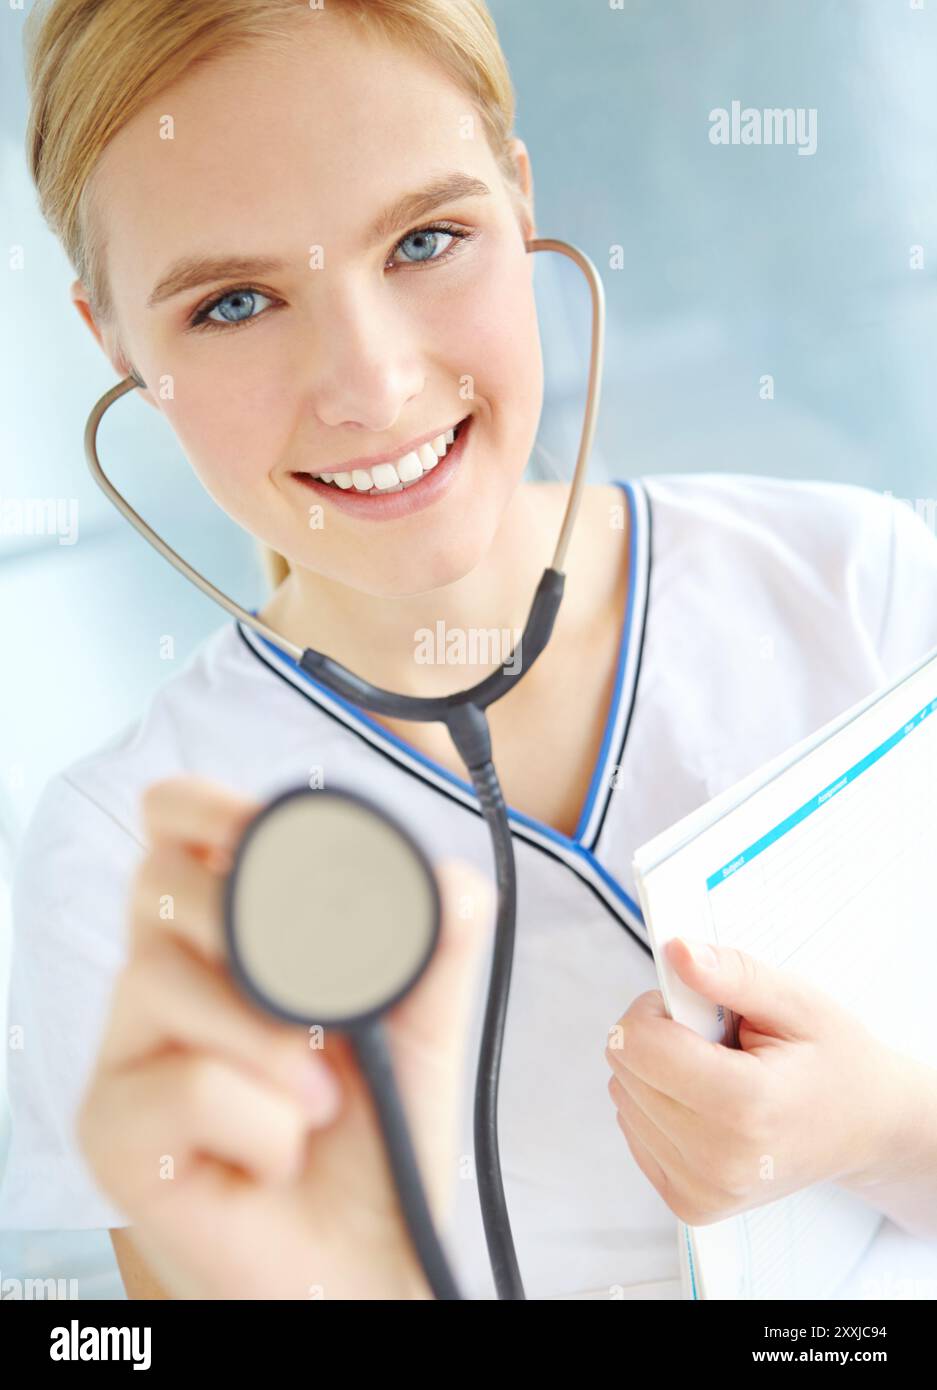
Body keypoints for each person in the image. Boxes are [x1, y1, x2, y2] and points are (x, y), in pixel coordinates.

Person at [2, 0, 937, 1300]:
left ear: (517, 192)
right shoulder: (120, 859)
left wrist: (893, 1129)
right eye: (231, 303)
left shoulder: (869, 587)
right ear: (115, 345)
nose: (370, 383)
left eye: (426, 239)